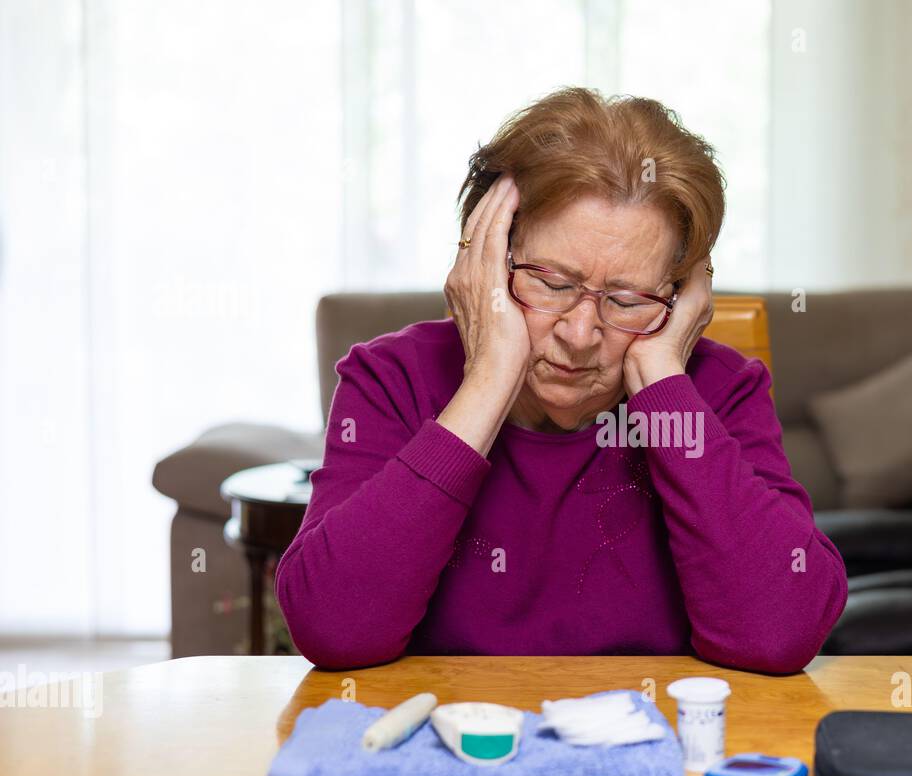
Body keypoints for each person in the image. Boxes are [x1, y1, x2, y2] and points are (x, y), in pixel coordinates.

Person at [275, 87, 847, 672]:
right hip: (449, 747)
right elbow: (334, 631)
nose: (579, 333)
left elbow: (780, 635)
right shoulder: (390, 378)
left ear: (681, 301)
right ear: (485, 266)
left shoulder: (716, 390)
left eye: (628, 299)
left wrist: (662, 382)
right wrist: (489, 378)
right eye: (550, 283)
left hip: (657, 750)